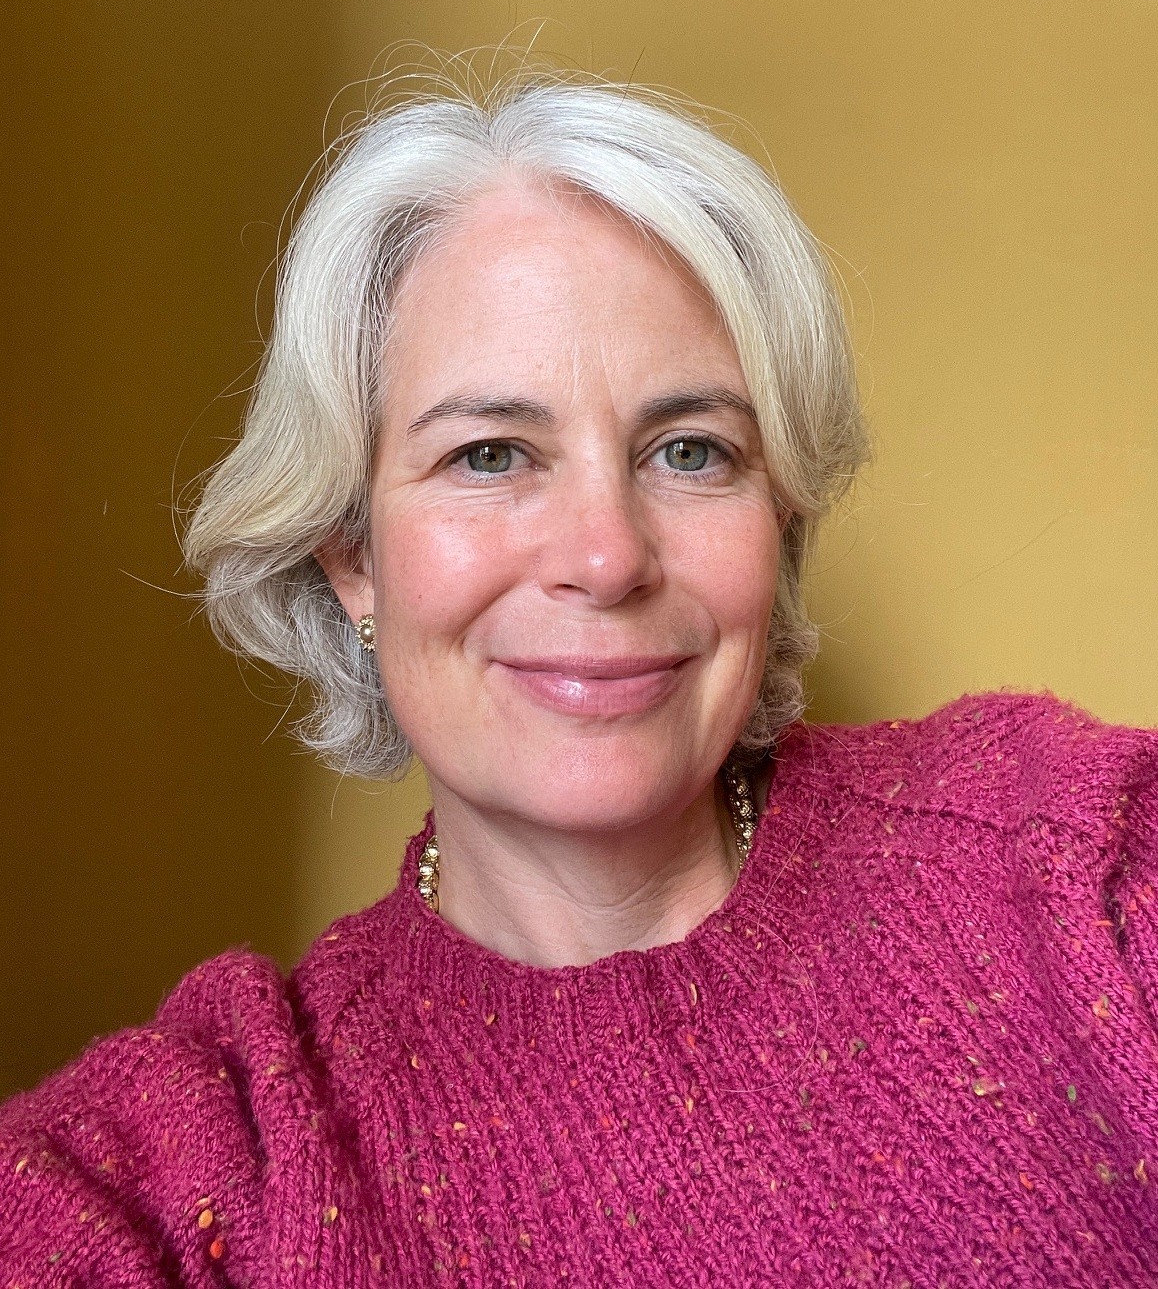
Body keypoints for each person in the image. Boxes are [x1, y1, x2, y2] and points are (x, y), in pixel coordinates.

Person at [1, 68, 1155, 1287]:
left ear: (778, 515)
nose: (606, 557)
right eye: (490, 454)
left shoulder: (1061, 854)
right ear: (352, 553)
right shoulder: (213, 1159)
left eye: (691, 450)